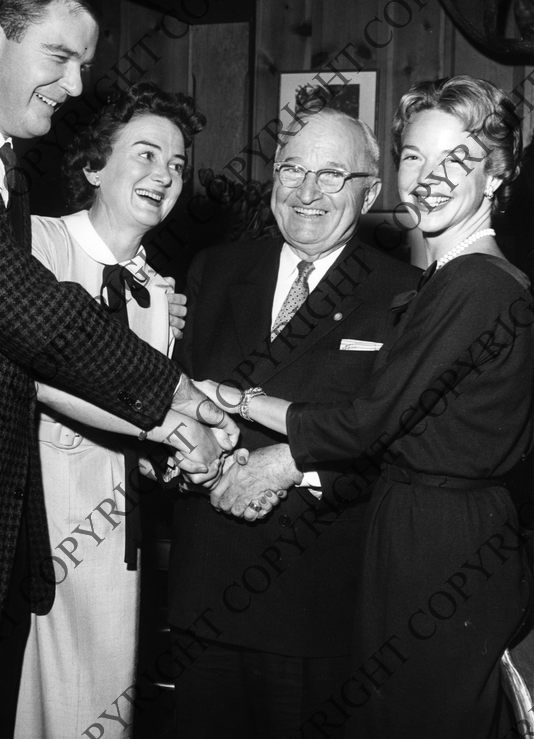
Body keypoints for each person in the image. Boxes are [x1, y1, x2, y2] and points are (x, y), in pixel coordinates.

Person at [0, 0, 236, 739]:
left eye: (84, 64)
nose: (76, 86)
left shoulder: (4, 169)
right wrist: (182, 403)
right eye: (60, 57)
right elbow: (36, 317)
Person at [200, 75, 533, 738]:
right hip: (423, 531)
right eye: (414, 156)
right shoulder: (455, 280)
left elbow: (368, 421)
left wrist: (246, 404)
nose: (429, 177)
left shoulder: (475, 284)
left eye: (455, 160)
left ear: (494, 174)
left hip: (439, 542)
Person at [168, 107, 421, 738]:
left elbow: (400, 443)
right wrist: (185, 455)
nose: (307, 193)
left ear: (372, 192)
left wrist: (294, 471)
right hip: (206, 592)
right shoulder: (215, 270)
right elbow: (178, 396)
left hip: (318, 606)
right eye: (293, 170)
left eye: (333, 175)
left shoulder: (406, 294)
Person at [13, 82, 212, 739]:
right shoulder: (36, 244)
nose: (165, 175)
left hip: (115, 546)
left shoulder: (160, 296)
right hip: (29, 529)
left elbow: (145, 437)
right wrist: (174, 424)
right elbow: (34, 376)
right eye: (148, 155)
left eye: (178, 164)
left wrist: (182, 460)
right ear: (94, 166)